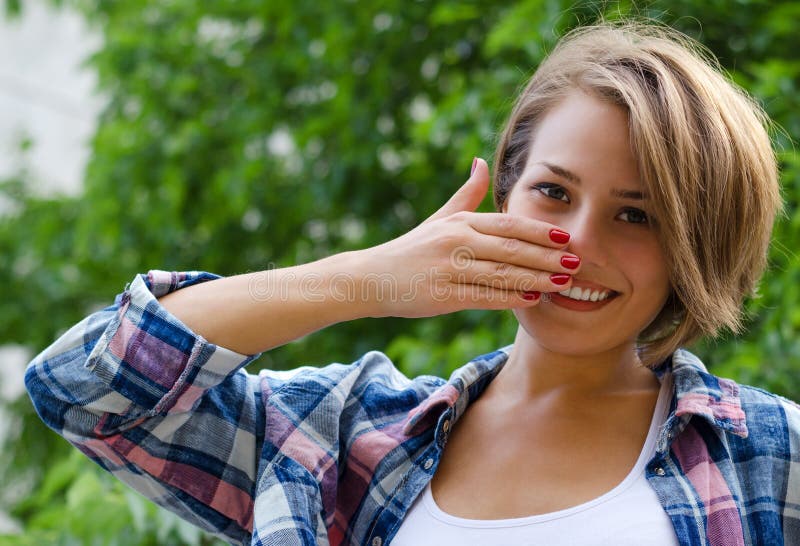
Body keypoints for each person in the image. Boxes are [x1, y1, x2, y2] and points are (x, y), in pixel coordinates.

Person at [25, 20, 799, 546]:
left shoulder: (771, 456)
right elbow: (85, 391)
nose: (577, 244)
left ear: (697, 246)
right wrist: (366, 279)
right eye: (553, 194)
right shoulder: (334, 439)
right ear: (502, 197)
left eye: (638, 217)